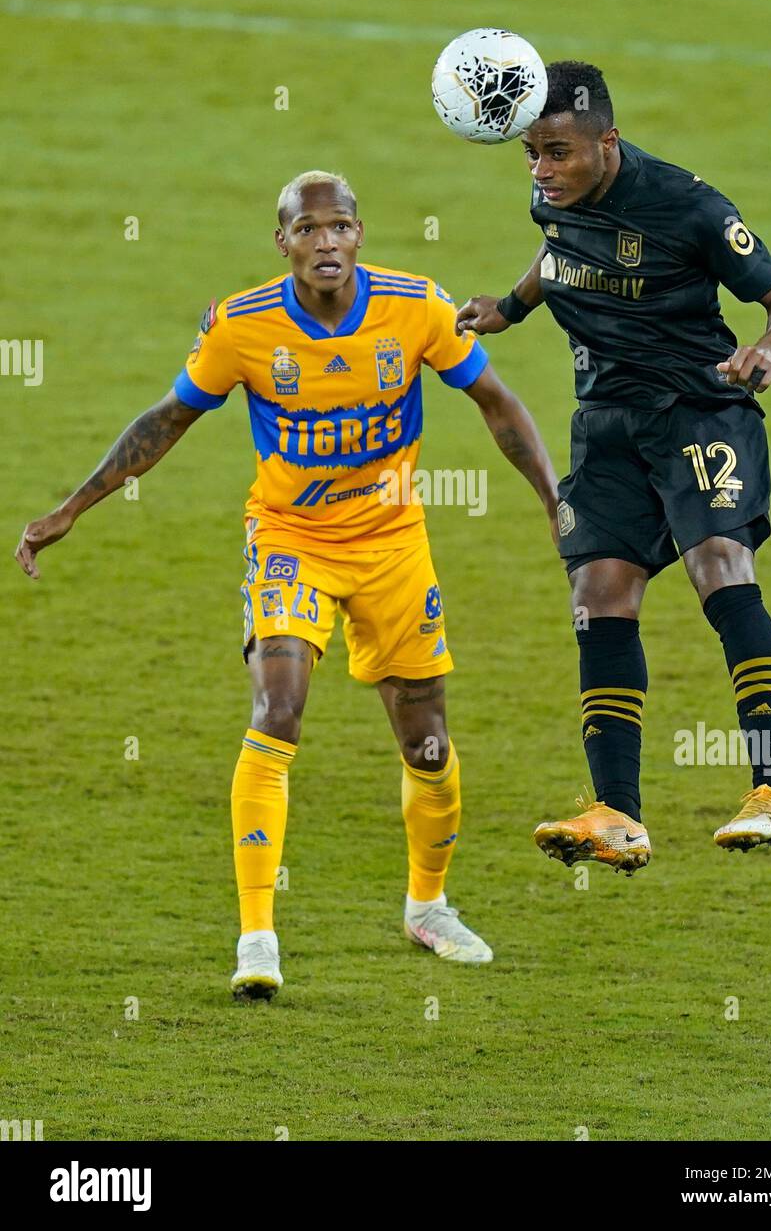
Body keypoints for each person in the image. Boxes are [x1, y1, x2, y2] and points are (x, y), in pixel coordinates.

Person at [16, 170, 560, 995]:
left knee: (429, 743)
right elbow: (167, 418)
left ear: (360, 234)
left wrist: (558, 504)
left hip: (392, 545)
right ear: (283, 243)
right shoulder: (243, 326)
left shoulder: (415, 307)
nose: (326, 242)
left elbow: (496, 399)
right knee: (276, 710)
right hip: (290, 540)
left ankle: (427, 906)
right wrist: (72, 508)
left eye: (339, 226)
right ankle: (257, 937)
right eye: (308, 230)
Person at [456, 63, 771, 875]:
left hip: (698, 410)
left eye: (558, 152)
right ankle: (617, 813)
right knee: (599, 595)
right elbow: (557, 255)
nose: (542, 169)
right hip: (607, 425)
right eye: (530, 154)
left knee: (720, 569)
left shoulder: (689, 206)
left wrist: (766, 352)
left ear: (606, 144)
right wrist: (506, 308)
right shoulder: (552, 197)